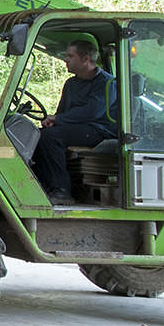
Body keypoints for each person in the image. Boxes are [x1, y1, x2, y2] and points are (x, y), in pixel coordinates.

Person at [29, 37, 119, 204]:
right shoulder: (71, 84)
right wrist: (53, 121)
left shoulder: (106, 83)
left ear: (85, 59)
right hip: (79, 129)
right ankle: (43, 185)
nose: (66, 60)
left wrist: (59, 119)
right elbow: (62, 112)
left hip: (100, 129)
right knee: (35, 137)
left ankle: (62, 190)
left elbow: (92, 112)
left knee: (51, 137)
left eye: (70, 56)